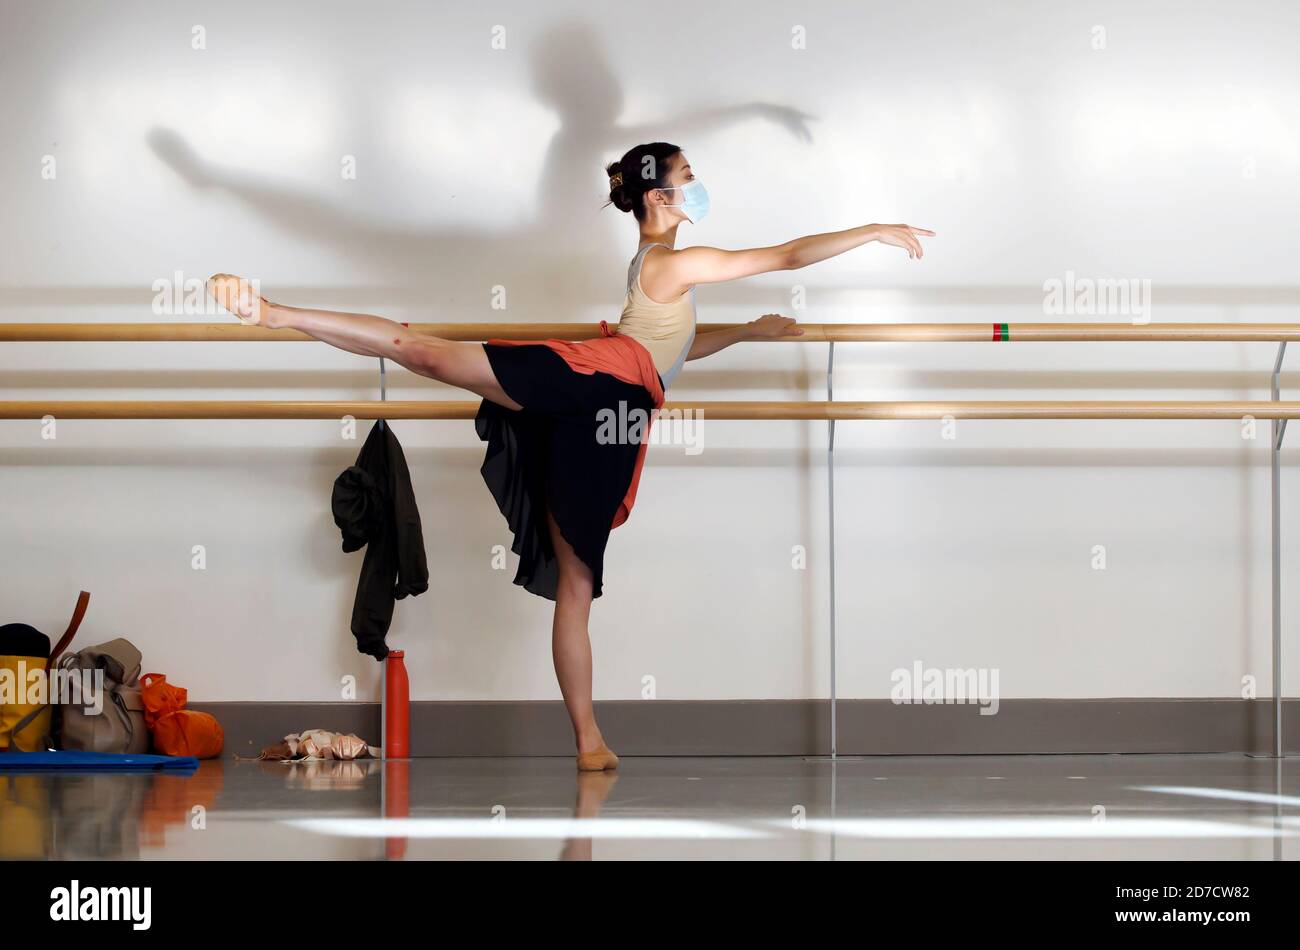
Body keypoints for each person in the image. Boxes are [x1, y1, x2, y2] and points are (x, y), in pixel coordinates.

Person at [206, 141, 933, 770]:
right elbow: (783, 255)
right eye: (690, 174)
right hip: (594, 392)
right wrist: (872, 228)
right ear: (660, 194)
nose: (700, 185)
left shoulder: (658, 265)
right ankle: (275, 312)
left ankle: (589, 743)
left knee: (574, 583)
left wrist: (746, 333)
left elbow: (662, 355)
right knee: (422, 352)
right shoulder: (673, 265)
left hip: (603, 404)